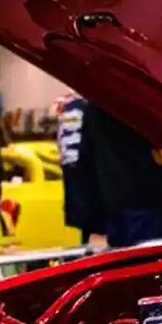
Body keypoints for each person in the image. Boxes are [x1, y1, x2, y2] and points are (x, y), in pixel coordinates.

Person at [81, 102, 162, 248]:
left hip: (114, 203)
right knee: (152, 260)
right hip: (150, 202)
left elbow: (86, 164)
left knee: (127, 263)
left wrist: (93, 223)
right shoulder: (143, 104)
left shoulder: (95, 107)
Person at [56, 94, 105, 245]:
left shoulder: (67, 110)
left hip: (76, 183)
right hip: (95, 185)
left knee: (89, 236)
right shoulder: (90, 109)